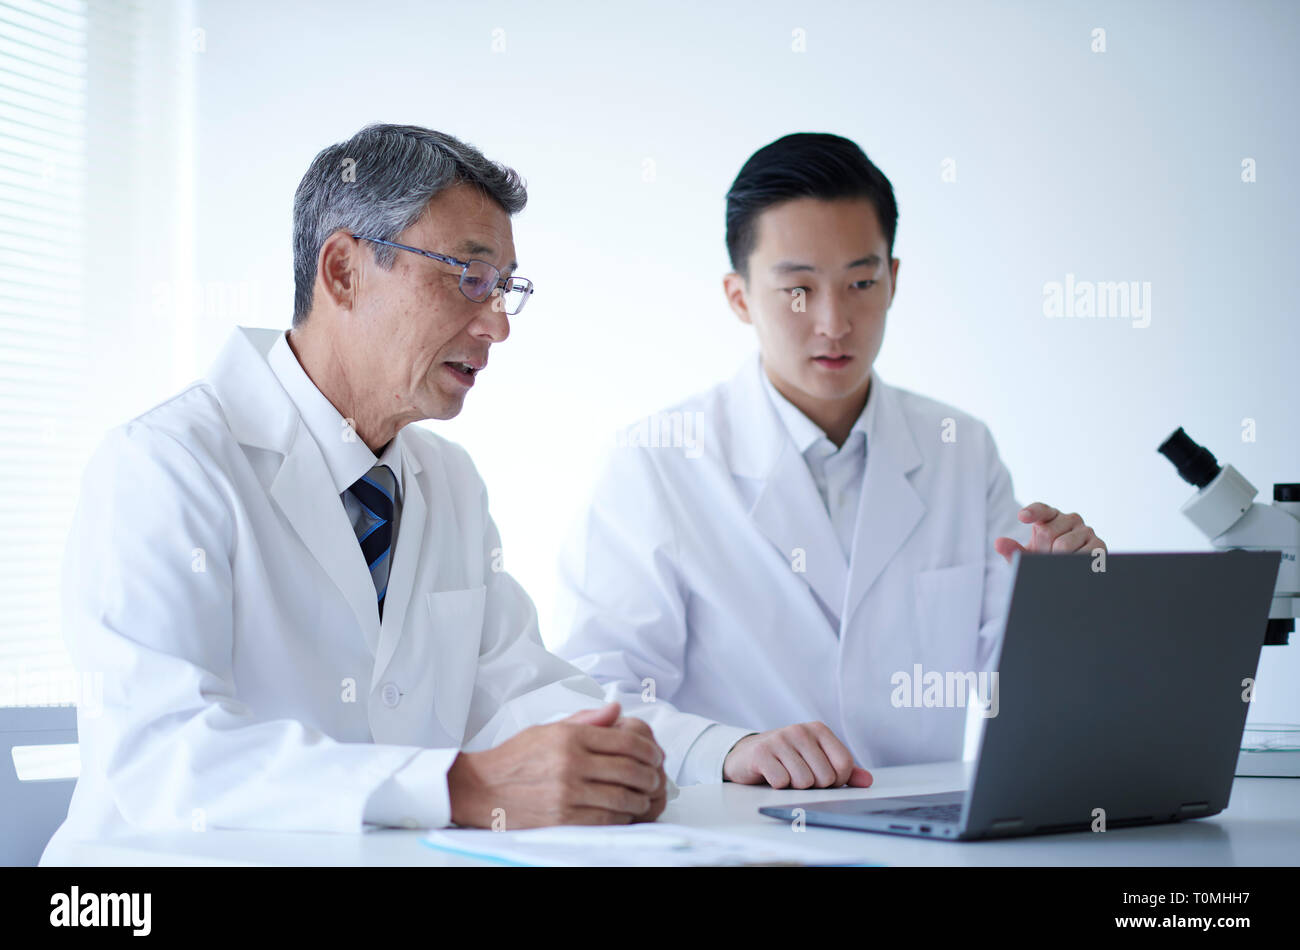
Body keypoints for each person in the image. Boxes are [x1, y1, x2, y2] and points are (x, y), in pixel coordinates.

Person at [42, 124, 668, 862]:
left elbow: (519, 692)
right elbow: (163, 756)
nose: (497, 323)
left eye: (504, 288)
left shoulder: (449, 481)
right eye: (469, 277)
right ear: (342, 271)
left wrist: (682, 754)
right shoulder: (163, 464)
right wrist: (458, 787)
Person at [554, 132, 1106, 791]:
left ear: (893, 280)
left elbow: (1013, 683)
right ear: (739, 297)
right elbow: (597, 695)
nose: (834, 322)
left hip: (920, 833)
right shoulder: (656, 461)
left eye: (861, 282)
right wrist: (728, 751)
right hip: (738, 836)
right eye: (797, 290)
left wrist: (1066, 600)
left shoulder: (961, 448)